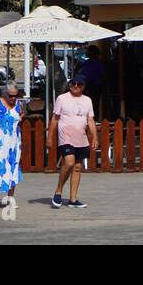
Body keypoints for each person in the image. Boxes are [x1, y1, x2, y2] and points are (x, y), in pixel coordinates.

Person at [48, 76, 96, 208]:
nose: (75, 86)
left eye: (79, 84)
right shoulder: (62, 98)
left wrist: (94, 137)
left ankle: (73, 199)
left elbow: (90, 120)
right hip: (66, 136)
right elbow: (55, 119)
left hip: (81, 137)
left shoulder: (87, 100)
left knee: (78, 167)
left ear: (83, 87)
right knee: (69, 162)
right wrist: (50, 137)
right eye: (73, 83)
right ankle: (58, 191)